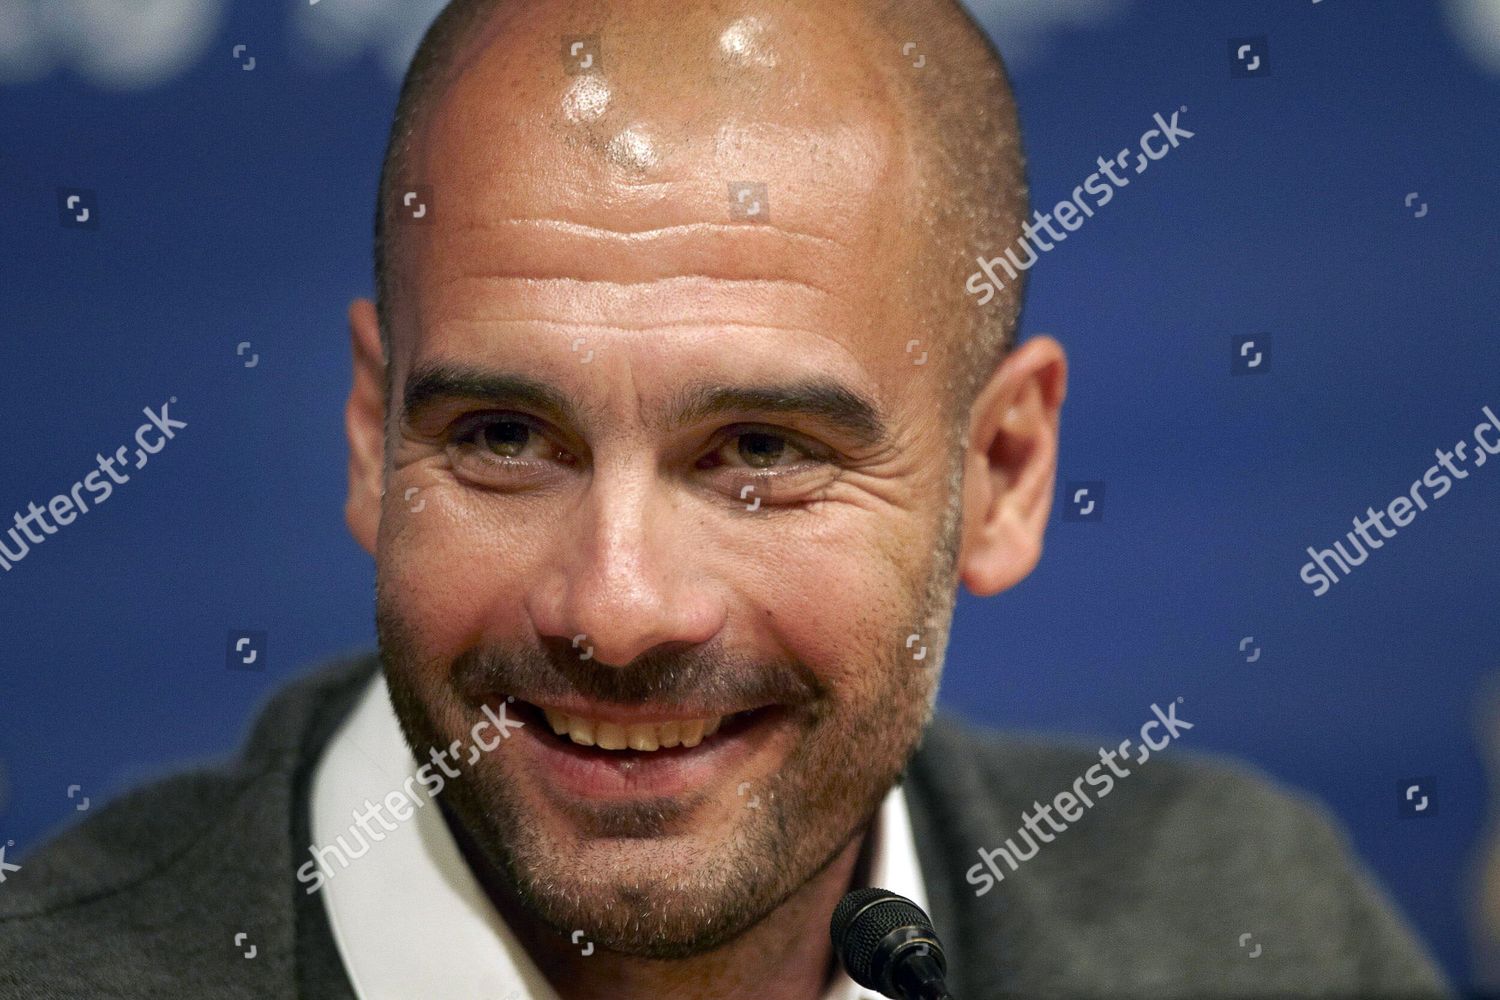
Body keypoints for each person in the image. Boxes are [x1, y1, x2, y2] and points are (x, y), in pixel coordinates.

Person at [0, 1, 1452, 997]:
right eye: (506, 434)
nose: (617, 607)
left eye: (760, 451)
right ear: (377, 440)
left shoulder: (1247, 924)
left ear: (1001, 472)